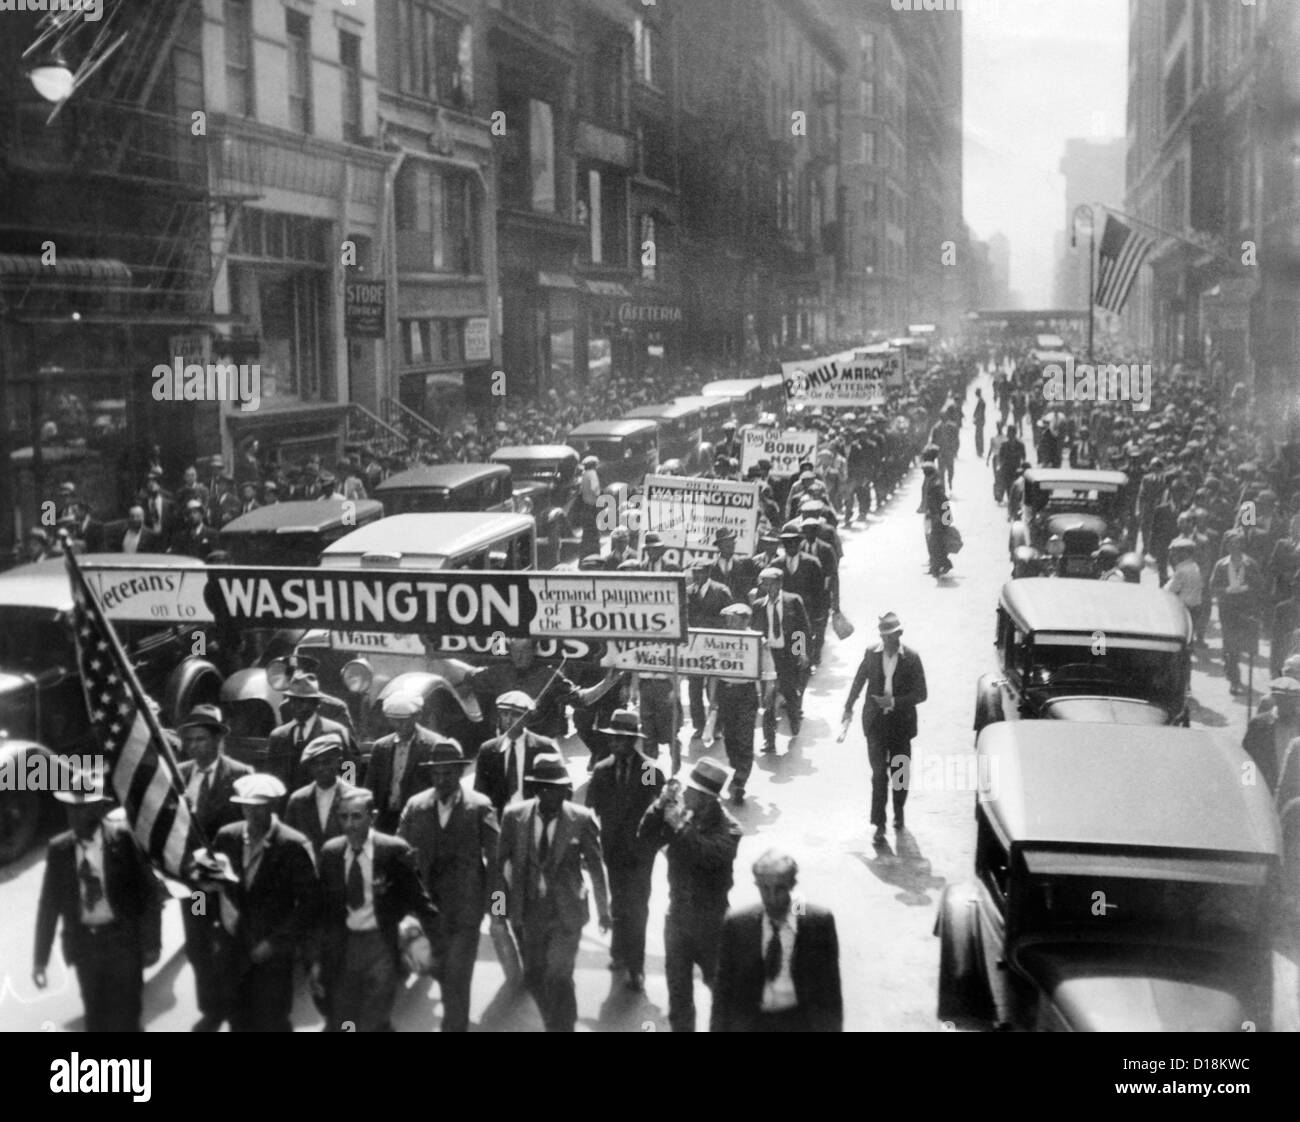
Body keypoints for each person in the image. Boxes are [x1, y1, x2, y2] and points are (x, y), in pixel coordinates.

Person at [32, 781, 165, 1032]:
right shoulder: (60, 849)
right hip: (85, 948)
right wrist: (40, 960)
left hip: (123, 944)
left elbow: (150, 895)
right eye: (70, 808)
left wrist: (152, 943)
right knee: (96, 1019)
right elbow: (48, 906)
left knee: (127, 1018)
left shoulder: (122, 839)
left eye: (81, 808)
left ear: (96, 809)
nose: (74, 815)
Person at [498, 754, 611, 1032]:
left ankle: (564, 1027)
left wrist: (604, 910)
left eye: (561, 788)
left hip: (567, 913)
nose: (557, 794)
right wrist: (498, 911)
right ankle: (553, 1023)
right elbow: (498, 867)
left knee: (559, 975)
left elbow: (596, 868)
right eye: (549, 788)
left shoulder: (581, 819)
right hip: (528, 911)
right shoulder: (514, 817)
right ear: (538, 790)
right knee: (535, 976)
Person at [314, 789, 440, 1032]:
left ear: (372, 817)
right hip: (345, 945)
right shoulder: (331, 853)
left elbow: (419, 900)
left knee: (373, 1018)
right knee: (345, 1017)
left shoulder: (393, 851)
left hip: (381, 945)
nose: (349, 825)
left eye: (356, 817)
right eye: (343, 817)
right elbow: (322, 910)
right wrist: (317, 959)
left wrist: (438, 945)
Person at [399, 739, 500, 1032]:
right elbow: (399, 854)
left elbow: (495, 862)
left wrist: (498, 910)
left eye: (449, 773)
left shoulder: (480, 807)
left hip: (467, 910)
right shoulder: (416, 807)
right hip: (429, 911)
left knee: (458, 975)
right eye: (437, 774)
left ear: (459, 772)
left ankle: (454, 1027)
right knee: (442, 972)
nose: (442, 780)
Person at [207, 773, 321, 1032]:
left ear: (272, 806)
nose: (254, 814)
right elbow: (206, 891)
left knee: (272, 1020)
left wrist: (276, 943)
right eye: (248, 807)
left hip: (273, 956)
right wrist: (210, 927)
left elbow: (310, 904)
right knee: (238, 1018)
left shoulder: (294, 845)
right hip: (233, 951)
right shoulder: (226, 837)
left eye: (260, 808)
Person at [638, 757, 742, 1032]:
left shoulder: (730, 829)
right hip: (678, 920)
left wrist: (681, 828)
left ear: (707, 799)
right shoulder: (682, 814)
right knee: (679, 995)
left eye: (691, 791)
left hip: (712, 923)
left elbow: (708, 855)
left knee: (721, 992)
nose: (684, 794)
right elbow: (646, 839)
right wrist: (659, 806)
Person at [176, 703, 253, 1031]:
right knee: (197, 944)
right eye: (189, 740)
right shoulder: (178, 775)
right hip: (193, 886)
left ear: (218, 739)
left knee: (233, 944)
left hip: (229, 882)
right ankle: (211, 1007)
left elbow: (250, 830)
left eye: (201, 739)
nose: (194, 747)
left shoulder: (240, 776)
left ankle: (239, 1005)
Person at [711, 848, 843, 1032]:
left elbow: (831, 991)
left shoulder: (817, 922)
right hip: (752, 1023)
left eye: (780, 888)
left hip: (801, 1022)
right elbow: (722, 991)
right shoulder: (738, 923)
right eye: (765, 888)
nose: (771, 898)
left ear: (792, 885)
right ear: (756, 884)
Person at [584, 710, 665, 992]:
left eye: (620, 739)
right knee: (618, 902)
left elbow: (658, 806)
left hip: (641, 852)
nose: (614, 744)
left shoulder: (647, 771)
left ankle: (636, 966)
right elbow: (591, 809)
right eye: (612, 739)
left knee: (638, 907)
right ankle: (619, 951)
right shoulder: (602, 770)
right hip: (613, 849)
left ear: (632, 741)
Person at [842, 612, 929, 844]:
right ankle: (879, 824)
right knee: (879, 774)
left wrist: (893, 702)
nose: (888, 641)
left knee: (900, 773)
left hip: (901, 724)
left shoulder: (911, 658)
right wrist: (848, 706)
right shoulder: (872, 653)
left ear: (899, 634)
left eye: (892, 636)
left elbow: (921, 693)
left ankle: (899, 811)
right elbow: (859, 680)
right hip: (876, 724)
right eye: (884, 636)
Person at [474, 690, 564, 817]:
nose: (509, 720)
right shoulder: (488, 749)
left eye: (516, 715)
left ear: (527, 718)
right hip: (500, 820)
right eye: (505, 714)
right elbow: (480, 791)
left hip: (535, 818)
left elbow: (560, 788)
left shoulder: (544, 747)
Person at [751, 566, 811, 753]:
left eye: (770, 583)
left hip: (788, 655)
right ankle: (769, 739)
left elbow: (802, 629)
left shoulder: (793, 601)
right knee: (768, 697)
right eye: (764, 584)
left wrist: (801, 652)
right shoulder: (758, 605)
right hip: (769, 656)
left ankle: (794, 718)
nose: (766, 588)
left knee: (789, 692)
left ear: (779, 584)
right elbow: (753, 632)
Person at [269, 672, 357, 790]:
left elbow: (349, 765)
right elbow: (271, 775)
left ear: (316, 703)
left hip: (325, 800)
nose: (296, 706)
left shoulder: (336, 732)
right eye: (293, 700)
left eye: (302, 701)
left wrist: (348, 795)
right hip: (288, 805)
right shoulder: (278, 736)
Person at [366, 693, 439, 833]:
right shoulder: (381, 747)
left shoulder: (433, 745)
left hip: (418, 820)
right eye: (394, 720)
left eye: (404, 720)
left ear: (417, 716)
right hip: (385, 818)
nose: (399, 725)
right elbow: (369, 784)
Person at [284, 733, 359, 858]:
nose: (321, 768)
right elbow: (287, 843)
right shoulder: (297, 800)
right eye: (315, 764)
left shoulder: (355, 798)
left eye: (326, 762)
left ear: (339, 762)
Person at [715, 602, 762, 802]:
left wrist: (769, 691)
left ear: (746, 620)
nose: (730, 623)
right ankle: (736, 767)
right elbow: (713, 669)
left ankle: (740, 780)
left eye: (734, 620)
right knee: (730, 736)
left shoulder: (756, 640)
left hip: (746, 694)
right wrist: (712, 698)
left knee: (744, 738)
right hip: (726, 692)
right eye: (728, 620)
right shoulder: (721, 639)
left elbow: (767, 667)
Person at [1209, 529, 1265, 696]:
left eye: (1238, 544)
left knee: (1239, 645)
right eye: (1231, 544)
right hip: (1227, 609)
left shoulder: (1251, 564)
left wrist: (1247, 589)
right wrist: (1226, 590)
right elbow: (1213, 588)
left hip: (1245, 610)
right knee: (1231, 643)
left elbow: (1260, 586)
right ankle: (1234, 679)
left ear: (1242, 545)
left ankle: (1231, 666)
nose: (1235, 547)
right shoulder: (1221, 565)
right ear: (1227, 547)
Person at [686, 558, 732, 738]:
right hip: (694, 648)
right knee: (694, 687)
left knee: (715, 688)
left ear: (708, 573)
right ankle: (699, 724)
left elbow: (730, 618)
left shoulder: (721, 591)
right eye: (694, 572)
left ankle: (717, 726)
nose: (696, 576)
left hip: (715, 646)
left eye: (700, 572)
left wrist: (709, 625)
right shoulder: (688, 592)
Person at [1242, 677, 1300, 795]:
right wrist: (1249, 790)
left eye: (1292, 700)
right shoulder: (1258, 725)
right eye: (1283, 700)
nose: (1288, 705)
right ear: (1275, 699)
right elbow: (1247, 760)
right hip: (1266, 793)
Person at [709, 526, 758, 604]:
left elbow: (751, 588)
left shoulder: (744, 565)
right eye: (726, 543)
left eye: (732, 542)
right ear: (719, 546)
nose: (730, 546)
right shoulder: (711, 568)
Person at [920, 461, 951, 577]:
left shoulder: (934, 485)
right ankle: (937, 566)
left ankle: (938, 566)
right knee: (936, 543)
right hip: (935, 517)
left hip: (936, 518)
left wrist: (943, 519)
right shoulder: (933, 482)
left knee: (935, 543)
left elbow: (942, 502)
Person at [578, 455, 602, 555]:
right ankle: (595, 553)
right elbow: (595, 489)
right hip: (593, 506)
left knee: (587, 533)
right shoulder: (592, 474)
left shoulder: (584, 474)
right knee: (594, 532)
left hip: (585, 505)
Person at [972, 388, 987, 460]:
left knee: (978, 436)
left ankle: (979, 450)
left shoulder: (981, 401)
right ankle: (979, 450)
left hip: (979, 421)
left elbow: (980, 412)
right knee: (979, 436)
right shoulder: (981, 400)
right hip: (980, 421)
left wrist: (976, 419)